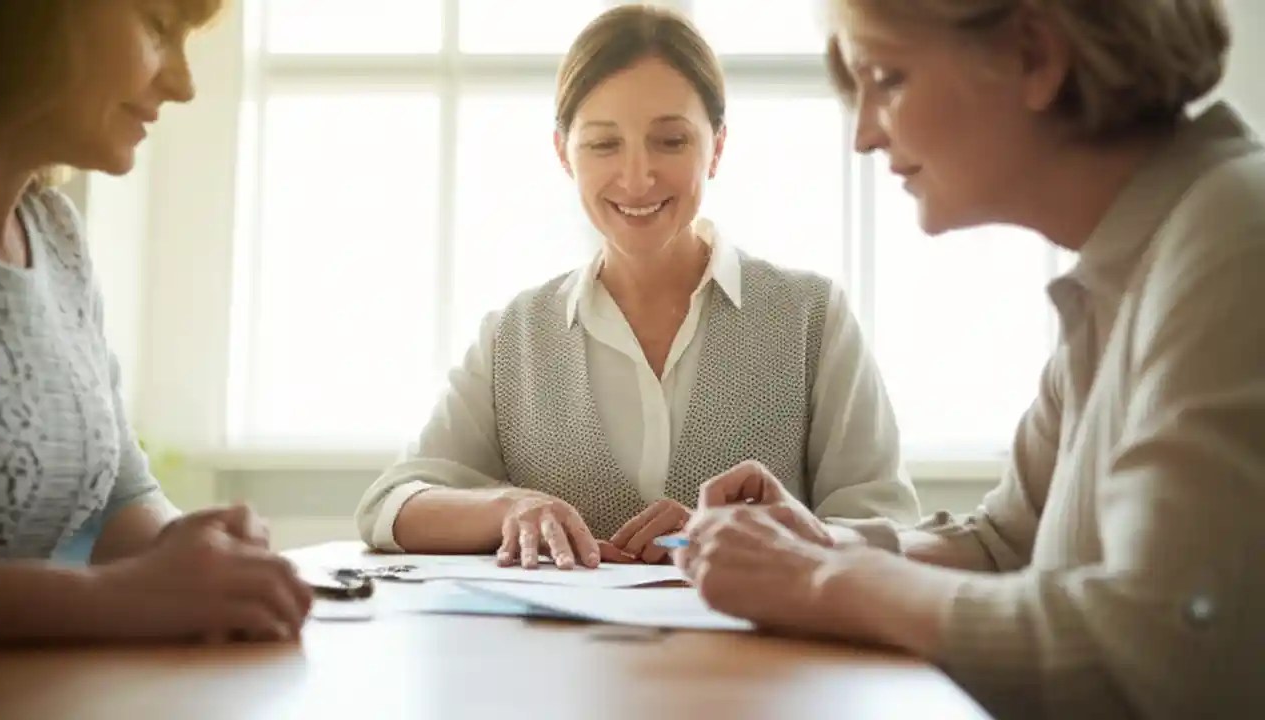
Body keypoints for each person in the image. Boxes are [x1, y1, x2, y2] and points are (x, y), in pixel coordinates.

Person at [677, 0, 1265, 717]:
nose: (862, 134)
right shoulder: (1126, 268)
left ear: (1035, 57)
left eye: (888, 79)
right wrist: (814, 541)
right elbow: (1003, 547)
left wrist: (821, 582)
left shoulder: (1238, 239)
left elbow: (1156, 645)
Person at [355, 4, 920, 570]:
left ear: (717, 147)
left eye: (670, 141)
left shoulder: (811, 320)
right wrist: (511, 506)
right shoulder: (514, 338)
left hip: (753, 655)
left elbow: (887, 528)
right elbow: (390, 505)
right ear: (563, 154)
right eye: (604, 145)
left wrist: (756, 536)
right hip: (555, 658)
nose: (636, 177)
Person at [0, 0, 312, 643]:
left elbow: (118, 498)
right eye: (160, 29)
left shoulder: (53, 236)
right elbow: (113, 590)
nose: (183, 84)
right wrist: (111, 599)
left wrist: (199, 553)